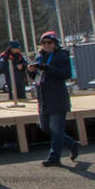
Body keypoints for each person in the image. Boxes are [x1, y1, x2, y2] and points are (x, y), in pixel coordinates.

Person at [27, 32, 79, 166]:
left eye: (49, 43)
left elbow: (66, 74)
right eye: (44, 43)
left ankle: (54, 157)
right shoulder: (40, 57)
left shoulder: (61, 55)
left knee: (56, 129)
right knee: (45, 127)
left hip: (57, 97)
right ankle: (72, 144)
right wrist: (31, 70)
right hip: (43, 98)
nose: (46, 45)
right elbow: (36, 78)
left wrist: (47, 67)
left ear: (55, 44)